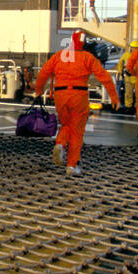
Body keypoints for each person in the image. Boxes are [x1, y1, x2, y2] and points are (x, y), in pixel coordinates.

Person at [33, 30, 119, 176]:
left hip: (61, 95)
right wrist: (114, 97)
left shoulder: (59, 55)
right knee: (77, 131)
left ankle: (60, 144)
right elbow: (104, 76)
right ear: (83, 42)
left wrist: (38, 90)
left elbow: (44, 73)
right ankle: (72, 166)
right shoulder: (88, 57)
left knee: (65, 125)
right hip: (79, 95)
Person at [116, 40, 138, 111]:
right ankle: (128, 107)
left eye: (136, 48)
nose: (134, 49)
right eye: (133, 48)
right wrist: (120, 72)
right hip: (129, 77)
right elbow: (120, 63)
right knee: (128, 93)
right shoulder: (126, 55)